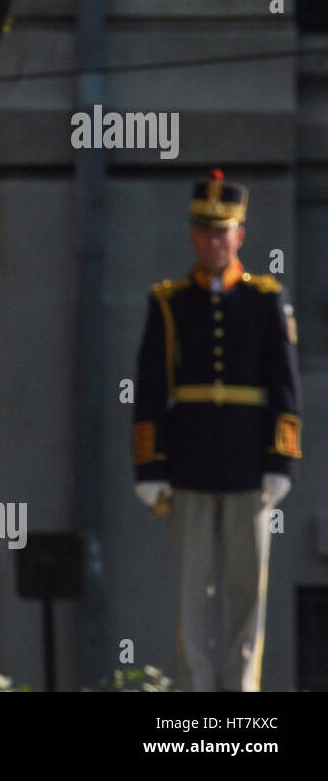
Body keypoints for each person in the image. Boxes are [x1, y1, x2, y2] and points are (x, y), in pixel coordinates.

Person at [132, 169, 303, 692]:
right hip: (189, 464)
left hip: (249, 464)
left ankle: (240, 688)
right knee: (191, 588)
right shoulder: (170, 301)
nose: (213, 241)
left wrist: (281, 460)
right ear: (193, 235)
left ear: (239, 235)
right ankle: (196, 687)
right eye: (205, 231)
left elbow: (286, 386)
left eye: (222, 231)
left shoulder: (265, 298)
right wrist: (150, 467)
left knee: (247, 588)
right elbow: (150, 386)